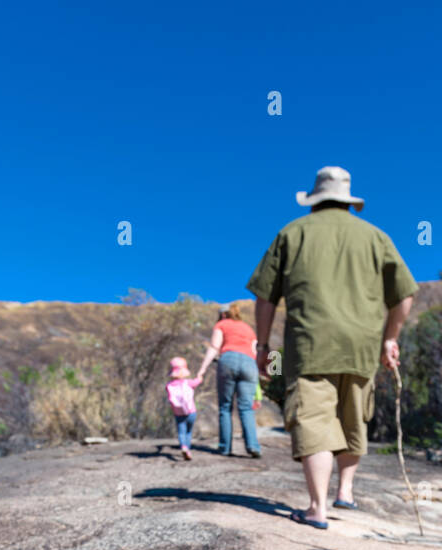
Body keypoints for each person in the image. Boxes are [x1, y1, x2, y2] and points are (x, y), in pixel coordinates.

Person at [247, 165, 417, 528]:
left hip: (310, 345)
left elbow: (265, 297)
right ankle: (346, 493)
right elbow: (405, 296)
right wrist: (390, 338)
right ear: (348, 201)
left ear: (314, 200)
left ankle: (317, 508)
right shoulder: (376, 237)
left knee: (314, 420)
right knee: (353, 418)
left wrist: (263, 346)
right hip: (361, 347)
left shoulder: (291, 233)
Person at [196, 302, 261, 458]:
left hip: (228, 360)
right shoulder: (248, 328)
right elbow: (255, 351)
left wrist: (202, 369)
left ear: (224, 314)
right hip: (250, 364)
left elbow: (214, 347)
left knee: (225, 407)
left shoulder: (222, 324)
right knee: (246, 408)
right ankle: (253, 446)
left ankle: (225, 448)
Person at [165, 356, 202, 460]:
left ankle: (183, 447)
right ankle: (188, 450)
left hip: (178, 413)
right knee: (188, 432)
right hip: (191, 412)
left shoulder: (169, 385)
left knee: (181, 432)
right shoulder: (188, 383)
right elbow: (197, 381)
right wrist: (200, 376)